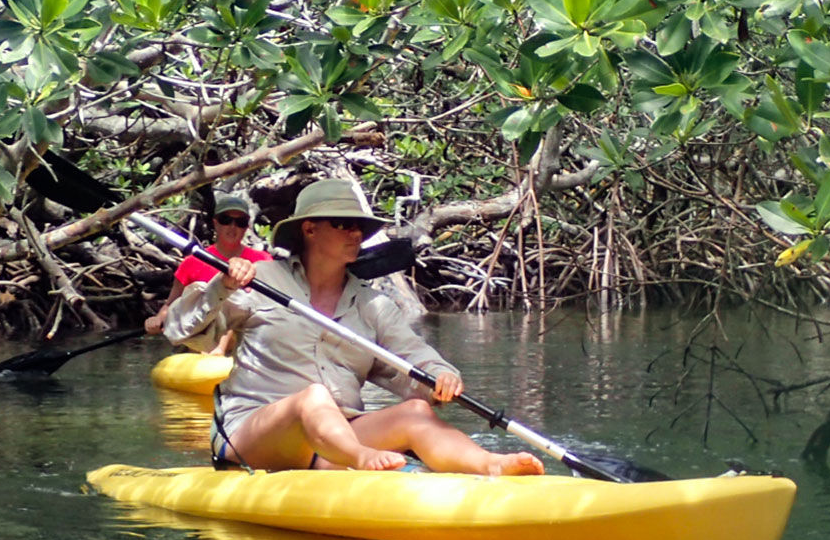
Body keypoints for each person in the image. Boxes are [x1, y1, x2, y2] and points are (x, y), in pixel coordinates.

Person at [166, 178, 544, 476]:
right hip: (253, 433)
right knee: (313, 398)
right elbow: (179, 330)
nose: (356, 235)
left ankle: (487, 464)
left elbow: (414, 359)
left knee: (414, 410)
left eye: (360, 227)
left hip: (336, 435)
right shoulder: (261, 280)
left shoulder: (372, 305)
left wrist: (440, 377)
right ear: (309, 230)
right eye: (344, 225)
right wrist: (222, 286)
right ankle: (360, 458)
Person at [145, 191, 272, 354]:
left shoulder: (263, 260)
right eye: (226, 220)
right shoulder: (192, 262)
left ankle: (220, 349)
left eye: (240, 222)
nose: (232, 227)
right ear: (216, 223)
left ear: (246, 227)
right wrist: (157, 319)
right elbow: (172, 303)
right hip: (201, 334)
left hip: (244, 338)